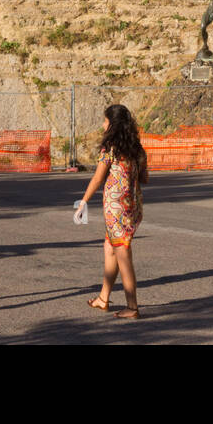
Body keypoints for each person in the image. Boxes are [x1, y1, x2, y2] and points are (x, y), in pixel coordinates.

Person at [75, 103, 148, 319]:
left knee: (123, 254)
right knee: (110, 248)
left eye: (105, 120)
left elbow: (98, 177)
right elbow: (145, 179)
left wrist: (83, 201)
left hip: (116, 208)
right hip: (133, 205)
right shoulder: (137, 148)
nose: (102, 124)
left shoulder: (111, 148)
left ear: (112, 124)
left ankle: (132, 307)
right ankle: (103, 298)